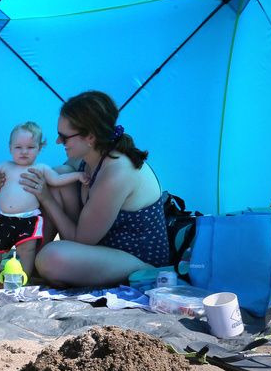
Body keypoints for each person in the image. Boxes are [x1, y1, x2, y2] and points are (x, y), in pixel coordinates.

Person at [19, 90, 170, 287]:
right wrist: (12, 178)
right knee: (59, 175)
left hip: (137, 259)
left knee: (51, 258)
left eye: (64, 137)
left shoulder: (116, 172)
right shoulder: (88, 156)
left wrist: (46, 198)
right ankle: (32, 264)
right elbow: (52, 180)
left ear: (90, 137)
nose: (58, 142)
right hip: (102, 247)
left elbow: (82, 240)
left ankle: (44, 263)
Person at [0, 121, 87, 281]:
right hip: (3, 219)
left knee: (27, 251)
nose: (24, 152)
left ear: (39, 149)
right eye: (18, 147)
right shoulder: (5, 166)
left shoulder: (41, 168)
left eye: (30, 147)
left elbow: (57, 180)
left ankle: (25, 278)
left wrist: (77, 175)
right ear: (10, 148)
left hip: (28, 219)